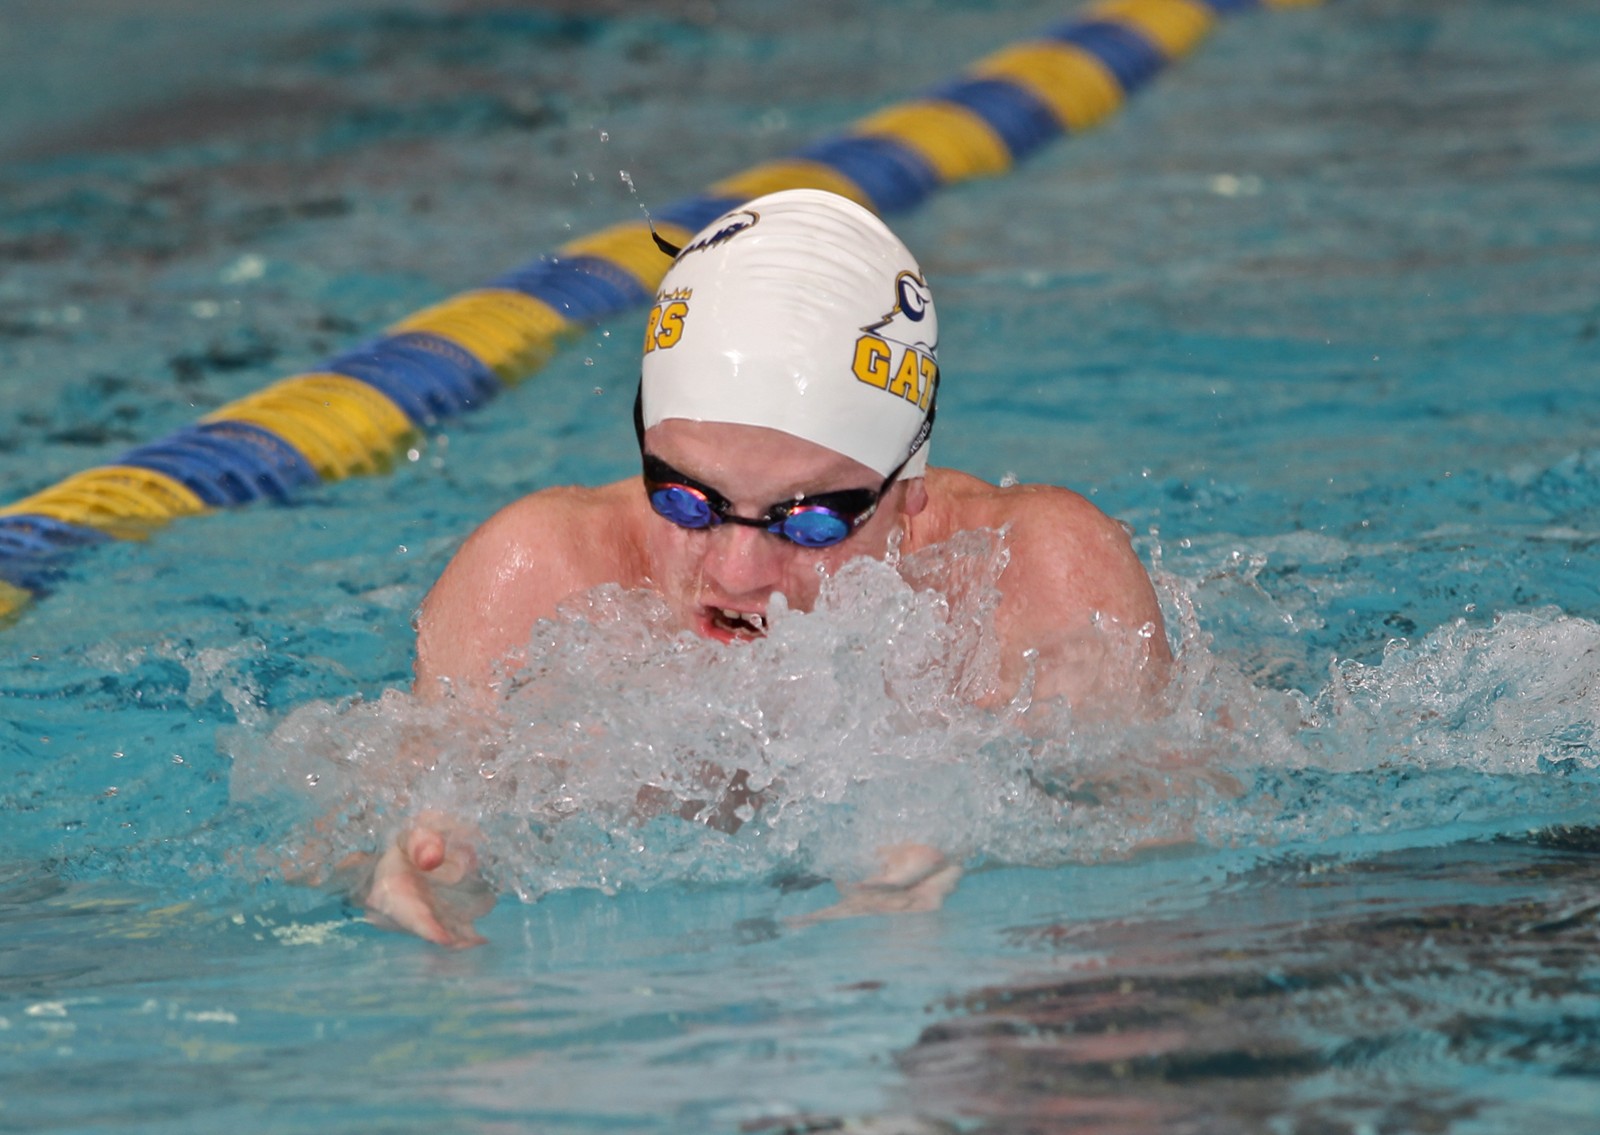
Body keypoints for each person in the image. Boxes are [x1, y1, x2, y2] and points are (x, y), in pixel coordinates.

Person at [357, 188, 1171, 947]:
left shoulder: (1038, 581)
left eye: (810, 519)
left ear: (908, 489)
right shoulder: (534, 576)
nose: (739, 570)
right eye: (684, 499)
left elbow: (1165, 846)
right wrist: (419, 862)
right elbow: (376, 820)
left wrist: (977, 844)